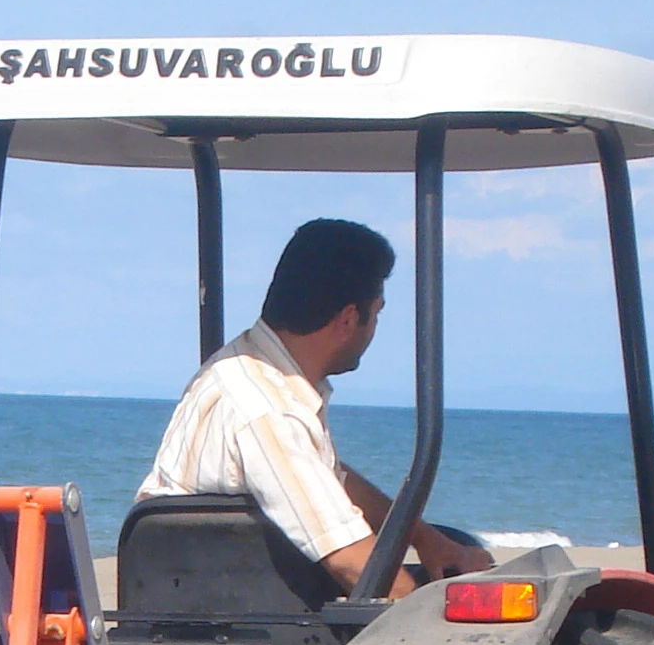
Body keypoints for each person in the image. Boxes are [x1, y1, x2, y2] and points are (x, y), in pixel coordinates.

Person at [137, 217, 494, 599]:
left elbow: (328, 477)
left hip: (226, 604)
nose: (375, 329)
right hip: (258, 632)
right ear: (348, 319)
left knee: (449, 550)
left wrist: (424, 536)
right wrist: (443, 622)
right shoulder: (266, 410)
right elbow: (356, 566)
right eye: (377, 314)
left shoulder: (247, 371)